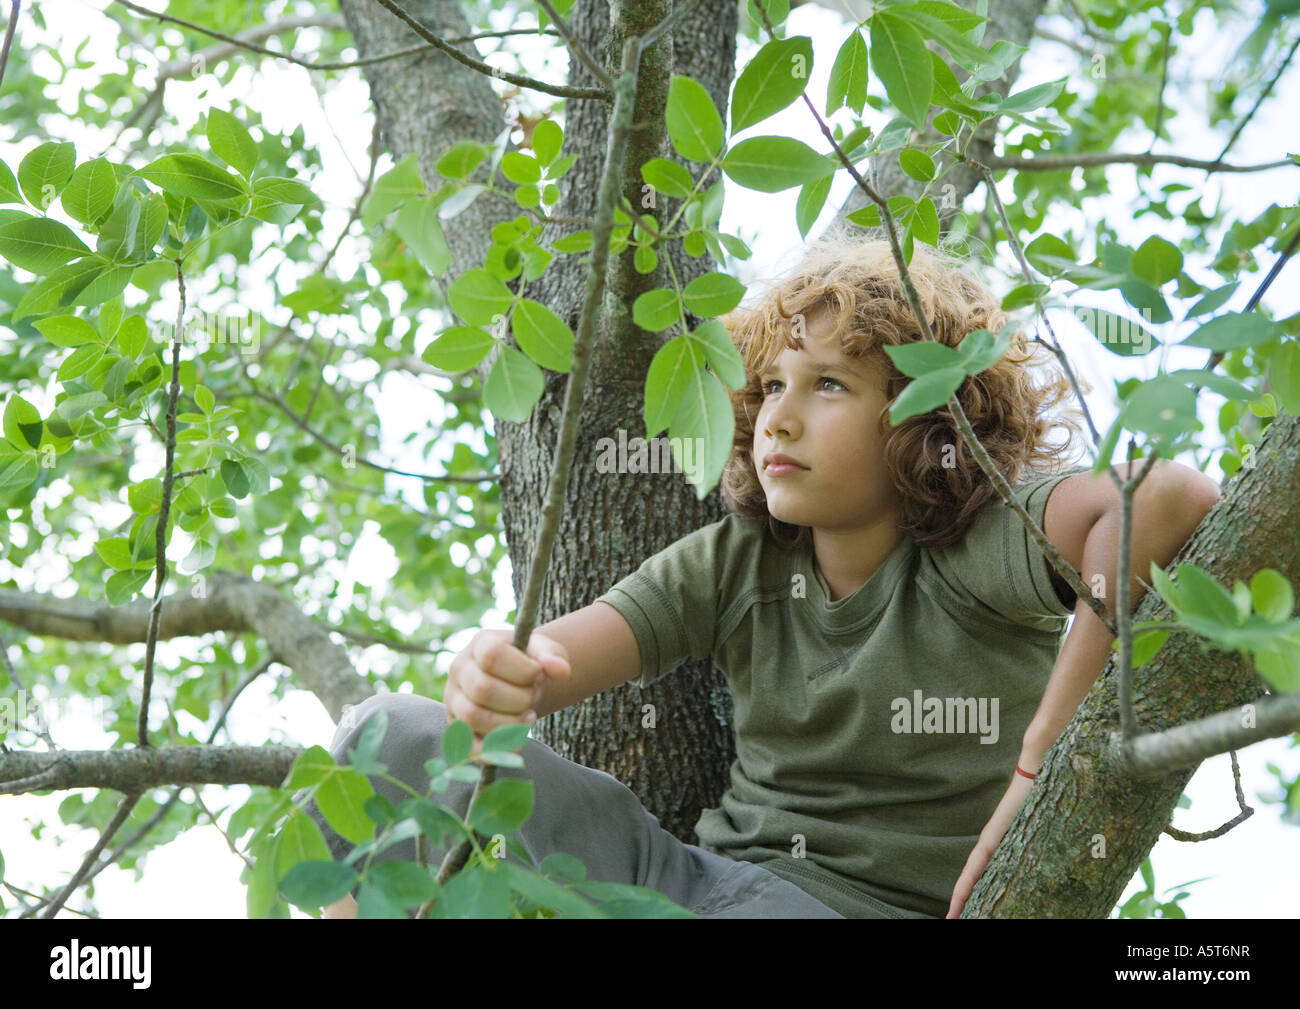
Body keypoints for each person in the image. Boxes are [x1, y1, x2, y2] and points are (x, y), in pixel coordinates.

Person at [304, 233, 1221, 919]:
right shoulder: (740, 560)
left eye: (828, 385)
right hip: (681, 882)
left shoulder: (979, 550)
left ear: (924, 423)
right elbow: (550, 658)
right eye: (772, 386)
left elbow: (1166, 499)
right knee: (387, 732)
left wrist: (1041, 761)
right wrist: (492, 669)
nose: (778, 417)